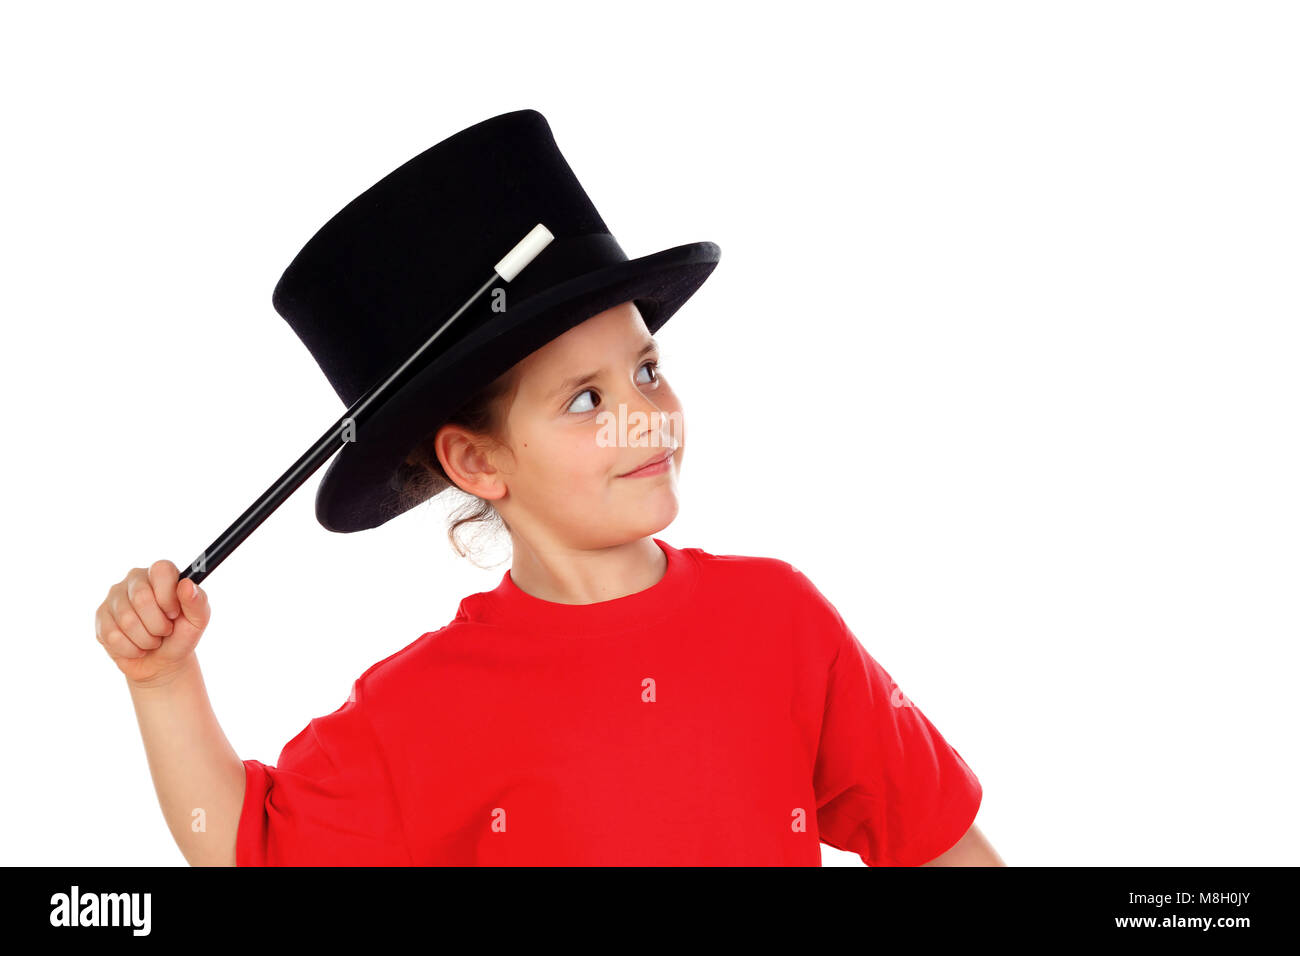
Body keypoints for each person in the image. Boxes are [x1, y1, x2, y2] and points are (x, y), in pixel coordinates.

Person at [94, 108, 1004, 866]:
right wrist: (164, 681)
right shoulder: (431, 706)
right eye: (585, 400)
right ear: (477, 462)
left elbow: (936, 840)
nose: (645, 417)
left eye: (647, 370)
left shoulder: (780, 619)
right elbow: (244, 848)